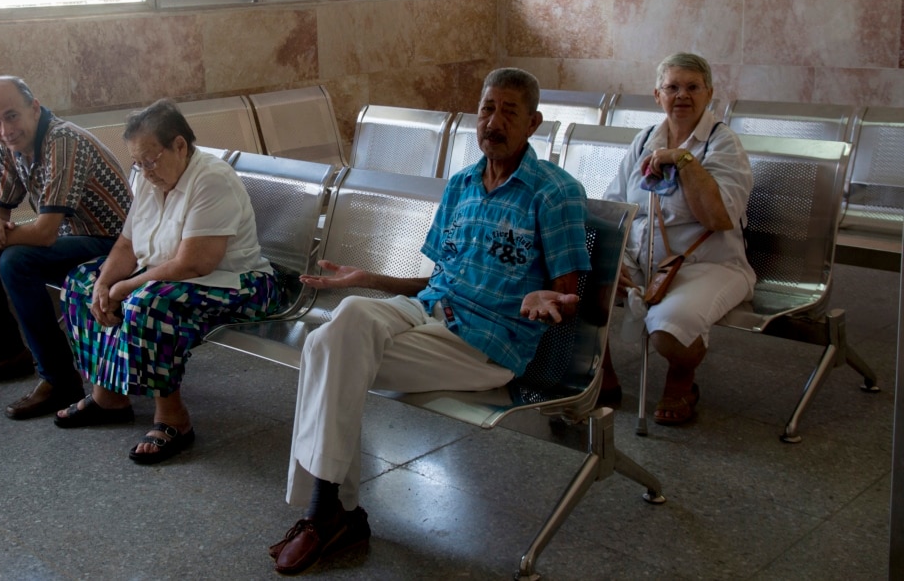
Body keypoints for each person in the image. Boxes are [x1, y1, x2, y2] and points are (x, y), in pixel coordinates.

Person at [268, 68, 592, 575]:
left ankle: (328, 511)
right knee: (348, 318)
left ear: (533, 123)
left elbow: (572, 296)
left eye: (509, 112)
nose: (494, 121)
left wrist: (544, 296)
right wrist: (371, 280)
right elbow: (436, 279)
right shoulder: (462, 184)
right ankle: (331, 512)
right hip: (427, 313)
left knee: (325, 349)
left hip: (487, 344)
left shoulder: (553, 193)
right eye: (487, 109)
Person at [57, 99, 281, 465]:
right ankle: (107, 396)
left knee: (149, 303)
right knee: (80, 282)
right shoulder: (151, 178)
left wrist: (126, 287)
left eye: (150, 160)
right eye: (138, 163)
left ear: (179, 145)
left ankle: (173, 417)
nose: (144, 171)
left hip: (238, 283)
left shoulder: (211, 178)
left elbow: (195, 263)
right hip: (169, 276)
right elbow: (127, 244)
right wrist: (104, 283)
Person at [0, 76, 131, 420]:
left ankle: (60, 379)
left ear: (34, 109)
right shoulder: (10, 144)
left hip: (114, 243)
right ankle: (6, 354)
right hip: (69, 237)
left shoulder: (63, 141)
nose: (4, 129)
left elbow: (45, 233)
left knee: (16, 261)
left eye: (11, 116)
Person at [600, 52, 754, 425]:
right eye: (672, 87)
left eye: (692, 87)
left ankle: (682, 378)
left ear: (709, 94)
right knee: (580, 284)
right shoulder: (643, 141)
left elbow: (718, 218)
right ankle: (599, 376)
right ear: (658, 96)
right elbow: (613, 205)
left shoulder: (723, 144)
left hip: (707, 266)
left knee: (670, 331)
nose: (682, 95)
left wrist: (683, 161)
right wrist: (614, 260)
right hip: (641, 260)